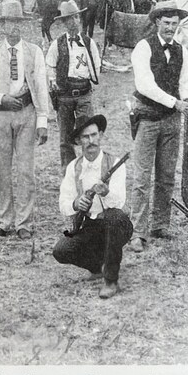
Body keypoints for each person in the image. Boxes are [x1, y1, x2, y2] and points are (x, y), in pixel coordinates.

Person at [0, 0, 50, 238]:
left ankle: (24, 223)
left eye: (18, 22)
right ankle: (2, 220)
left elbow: (41, 88)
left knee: (26, 170)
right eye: (9, 22)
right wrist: (0, 97)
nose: (14, 27)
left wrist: (42, 121)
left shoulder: (34, 51)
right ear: (2, 25)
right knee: (1, 170)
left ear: (23, 25)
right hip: (1, 114)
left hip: (26, 113)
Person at [128, 1, 188, 251]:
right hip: (148, 119)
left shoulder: (181, 50)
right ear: (157, 22)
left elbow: (185, 80)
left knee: (166, 176)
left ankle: (160, 224)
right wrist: (175, 102)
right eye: (166, 23)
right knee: (142, 178)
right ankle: (138, 232)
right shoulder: (143, 47)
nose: (170, 28)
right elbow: (144, 85)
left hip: (172, 121)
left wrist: (186, 99)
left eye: (174, 24)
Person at [53, 113, 132, 299]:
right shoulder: (73, 167)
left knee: (114, 217)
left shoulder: (115, 163)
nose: (91, 141)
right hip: (89, 226)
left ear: (101, 135)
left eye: (94, 135)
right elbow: (63, 203)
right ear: (78, 141)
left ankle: (111, 281)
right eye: (85, 137)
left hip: (116, 224)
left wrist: (105, 193)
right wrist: (76, 203)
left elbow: (119, 203)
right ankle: (98, 267)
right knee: (61, 250)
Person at [46, 0, 102, 169]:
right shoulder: (57, 44)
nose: (74, 22)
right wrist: (53, 81)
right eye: (69, 19)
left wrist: (90, 78)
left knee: (89, 134)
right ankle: (68, 173)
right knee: (65, 138)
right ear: (64, 22)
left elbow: (96, 65)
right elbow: (50, 65)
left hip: (84, 94)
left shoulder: (88, 42)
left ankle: (90, 169)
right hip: (64, 96)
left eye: (76, 17)